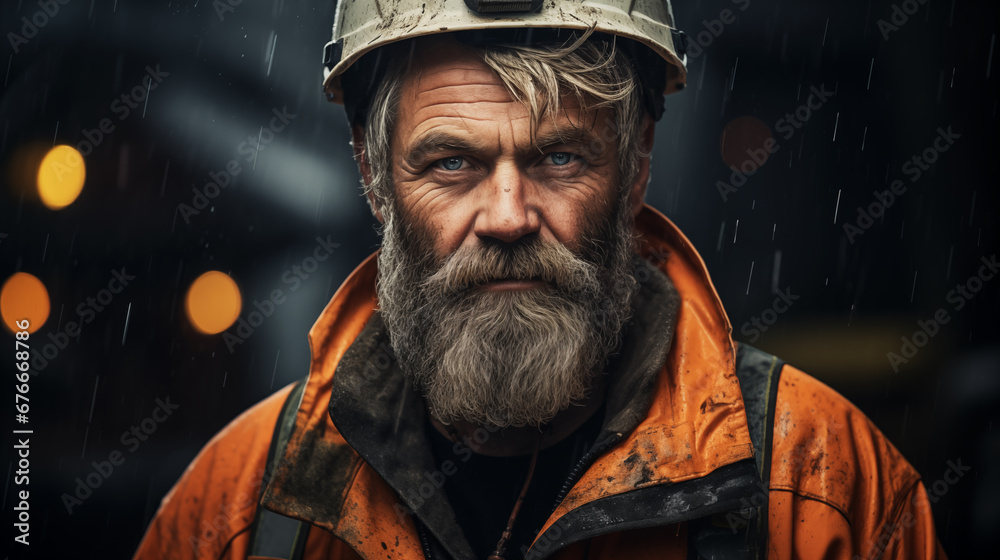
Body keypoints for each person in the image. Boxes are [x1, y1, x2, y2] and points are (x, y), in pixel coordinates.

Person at [135, 1, 948, 558]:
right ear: (374, 177)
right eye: (451, 163)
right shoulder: (239, 513)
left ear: (635, 168)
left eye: (559, 157)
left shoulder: (823, 490)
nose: (508, 215)